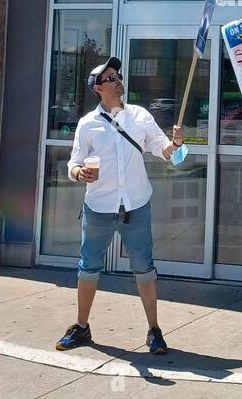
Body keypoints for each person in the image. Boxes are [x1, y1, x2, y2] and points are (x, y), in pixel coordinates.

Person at [60, 57, 183, 354]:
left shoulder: (139, 116)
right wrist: (79, 174)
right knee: (88, 267)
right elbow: (73, 164)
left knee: (144, 269)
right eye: (111, 78)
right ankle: (81, 327)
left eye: (118, 76)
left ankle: (154, 331)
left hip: (136, 206)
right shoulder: (88, 125)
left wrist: (175, 145)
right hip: (99, 208)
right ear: (98, 88)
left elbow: (161, 148)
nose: (118, 80)